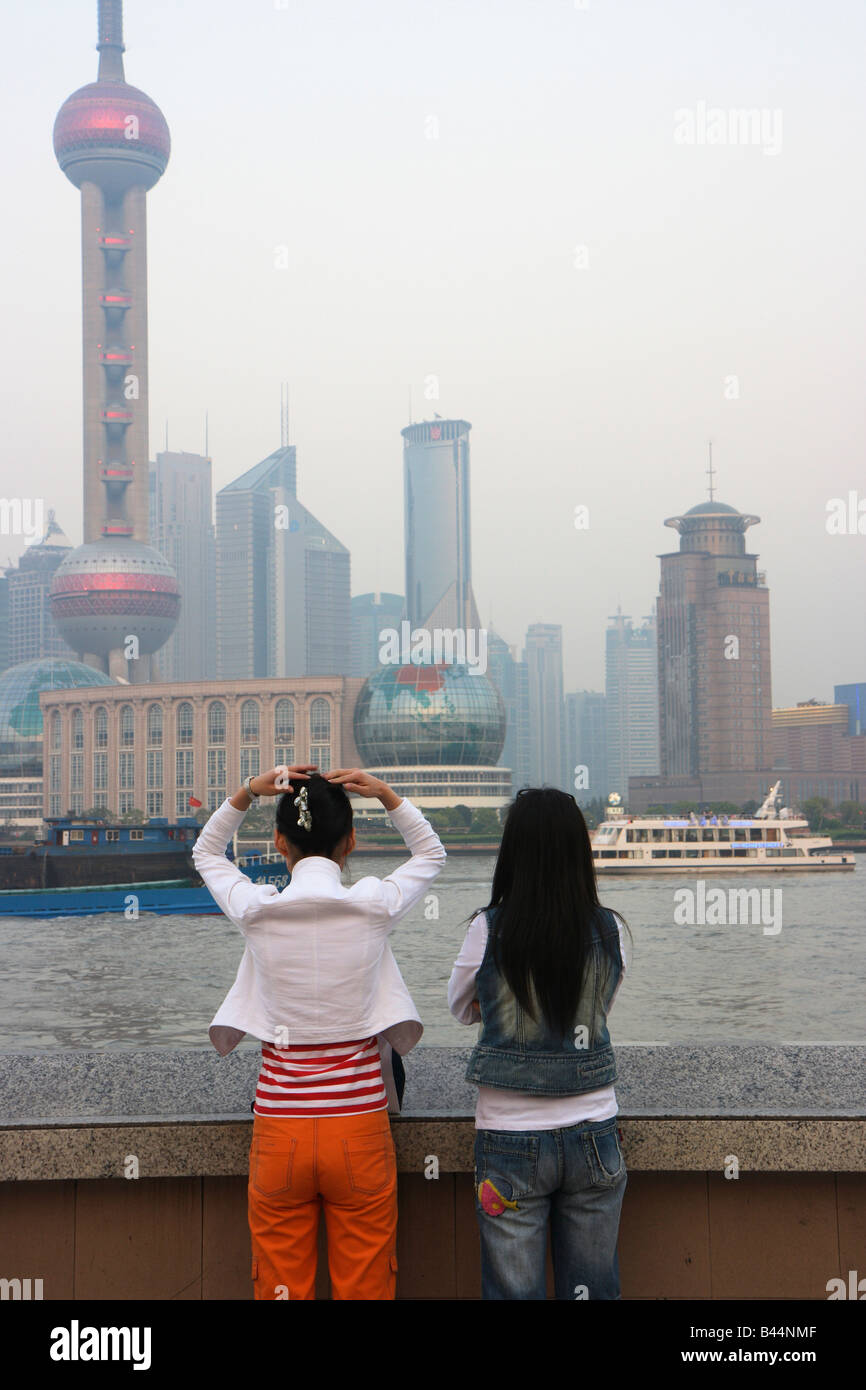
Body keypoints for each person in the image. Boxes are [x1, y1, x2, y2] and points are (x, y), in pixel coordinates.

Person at [192, 764, 446, 1300]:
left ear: (279, 841)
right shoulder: (373, 905)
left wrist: (247, 793)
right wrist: (385, 795)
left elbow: (207, 853)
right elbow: (431, 854)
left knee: (281, 1287)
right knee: (366, 1285)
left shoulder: (257, 910)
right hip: (357, 1126)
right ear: (351, 841)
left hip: (280, 1127)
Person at [447, 786, 630, 1301]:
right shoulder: (609, 929)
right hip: (594, 1131)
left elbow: (462, 1008)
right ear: (580, 851)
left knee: (513, 1294)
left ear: (513, 854)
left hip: (509, 1138)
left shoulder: (487, 929)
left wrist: (505, 1004)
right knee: (593, 1290)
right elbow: (594, 1013)